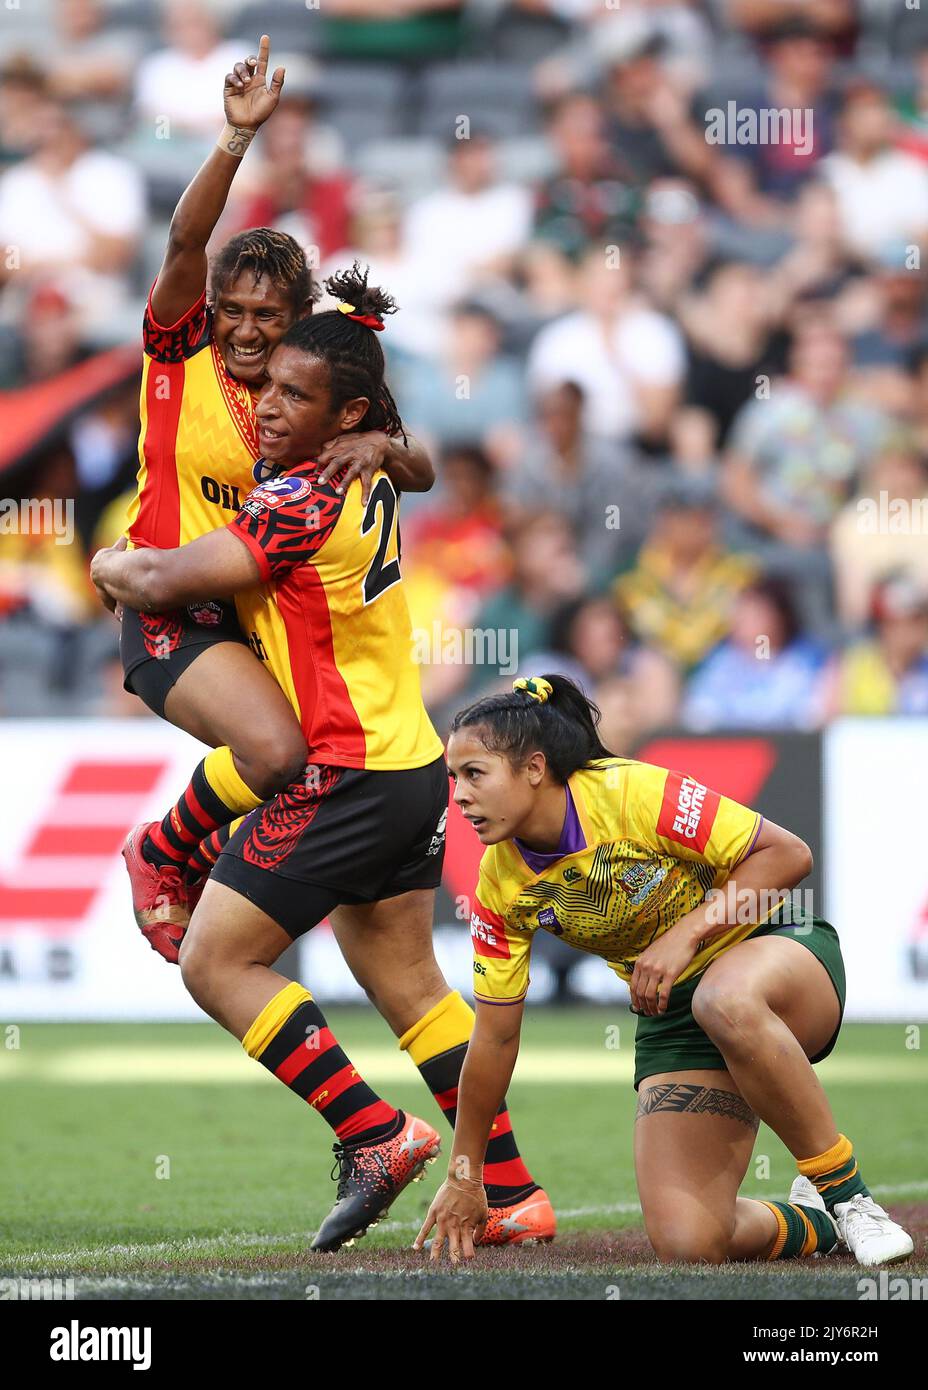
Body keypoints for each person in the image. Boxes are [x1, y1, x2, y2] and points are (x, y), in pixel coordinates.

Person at [92, 271, 554, 1254]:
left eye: (292, 395)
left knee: (218, 962)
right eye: (266, 390)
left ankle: (372, 1131)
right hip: (410, 765)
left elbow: (168, 576)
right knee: (413, 989)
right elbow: (416, 460)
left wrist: (106, 565)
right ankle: (510, 1190)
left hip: (341, 775)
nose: (264, 406)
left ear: (342, 414)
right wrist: (383, 439)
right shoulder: (372, 469)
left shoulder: (304, 497)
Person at [414, 674, 913, 1268]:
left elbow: (788, 854)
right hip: (678, 1013)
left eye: (475, 774)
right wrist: (468, 1174)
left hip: (779, 951)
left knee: (723, 999)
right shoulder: (498, 887)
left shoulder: (629, 791)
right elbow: (494, 1038)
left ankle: (850, 1198)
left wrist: (686, 935)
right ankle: (817, 1224)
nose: (460, 796)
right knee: (689, 1243)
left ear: (533, 768)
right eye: (453, 779)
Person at [114, 35, 435, 941]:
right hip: (171, 596)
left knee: (306, 770)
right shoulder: (181, 354)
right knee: (276, 750)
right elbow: (185, 240)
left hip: (265, 615)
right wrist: (234, 138)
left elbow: (423, 468)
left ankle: (234, 901)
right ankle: (161, 851)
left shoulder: (317, 395)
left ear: (302, 322)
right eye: (234, 311)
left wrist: (380, 445)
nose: (247, 331)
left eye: (269, 316)